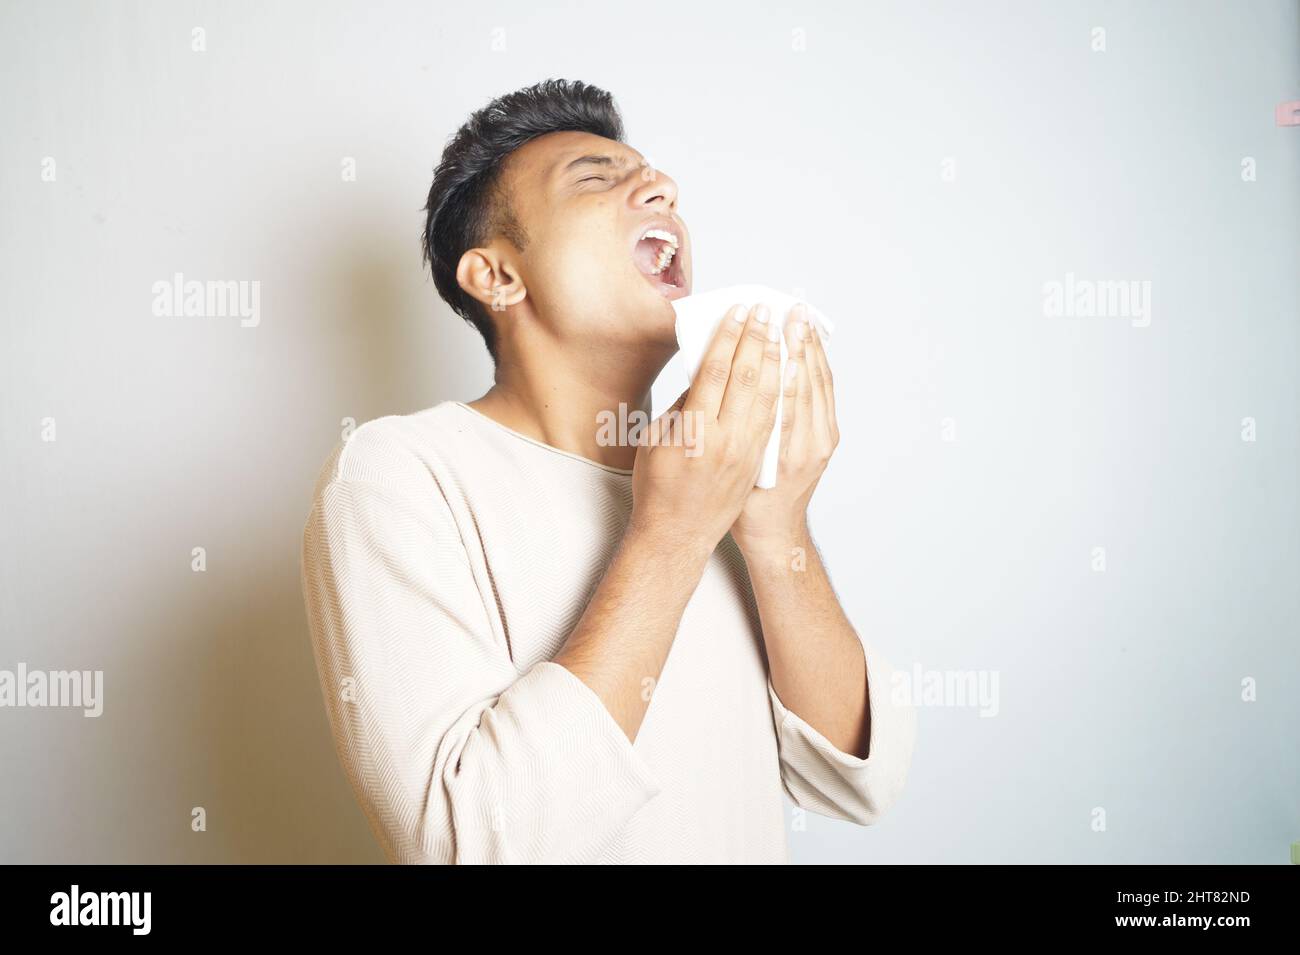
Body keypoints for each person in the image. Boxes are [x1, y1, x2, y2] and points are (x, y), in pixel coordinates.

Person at [300, 78, 916, 864]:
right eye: (596, 177)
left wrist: (776, 526)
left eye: (655, 178)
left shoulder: (712, 475)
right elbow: (468, 841)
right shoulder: (397, 474)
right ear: (498, 276)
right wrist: (672, 536)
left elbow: (855, 779)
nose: (662, 188)